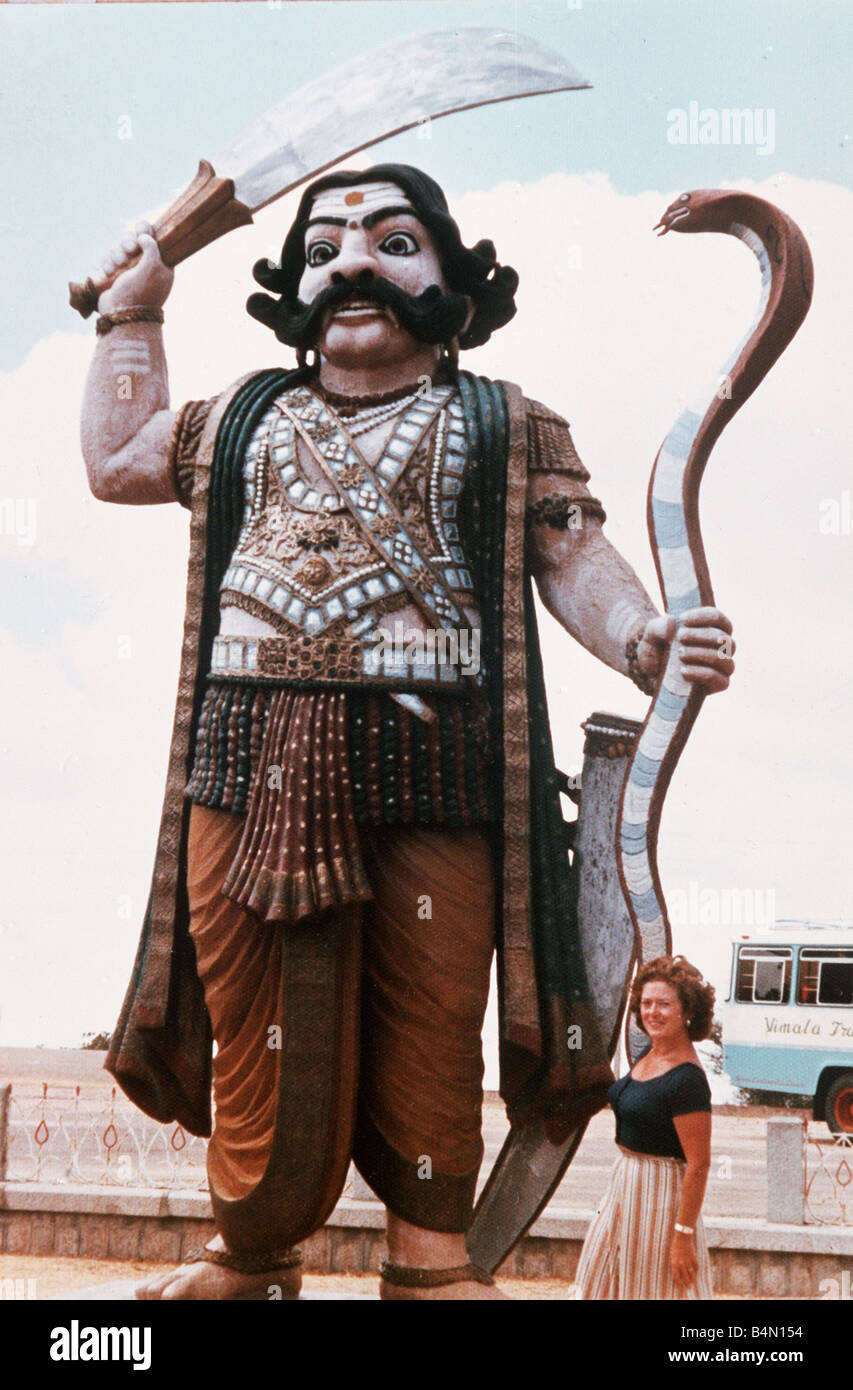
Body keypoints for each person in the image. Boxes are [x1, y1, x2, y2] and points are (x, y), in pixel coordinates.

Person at [80, 163, 735, 1300]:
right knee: (252, 1017)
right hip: (247, 763)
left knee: (430, 1010)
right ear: (291, 287)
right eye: (325, 248)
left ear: (453, 279)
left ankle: (427, 1255)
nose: (351, 266)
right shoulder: (238, 418)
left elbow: (571, 550)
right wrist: (135, 304)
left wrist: (642, 639)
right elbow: (115, 459)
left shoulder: (505, 422)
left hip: (438, 766)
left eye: (391, 242)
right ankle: (249, 1247)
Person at [576, 955, 716, 1300]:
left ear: (687, 1012)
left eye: (664, 1004)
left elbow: (698, 1164)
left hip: (660, 1200)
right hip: (622, 1188)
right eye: (646, 1003)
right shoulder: (649, 1056)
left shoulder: (688, 1079)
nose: (652, 1012)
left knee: (652, 1291)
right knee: (595, 1280)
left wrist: (682, 1236)